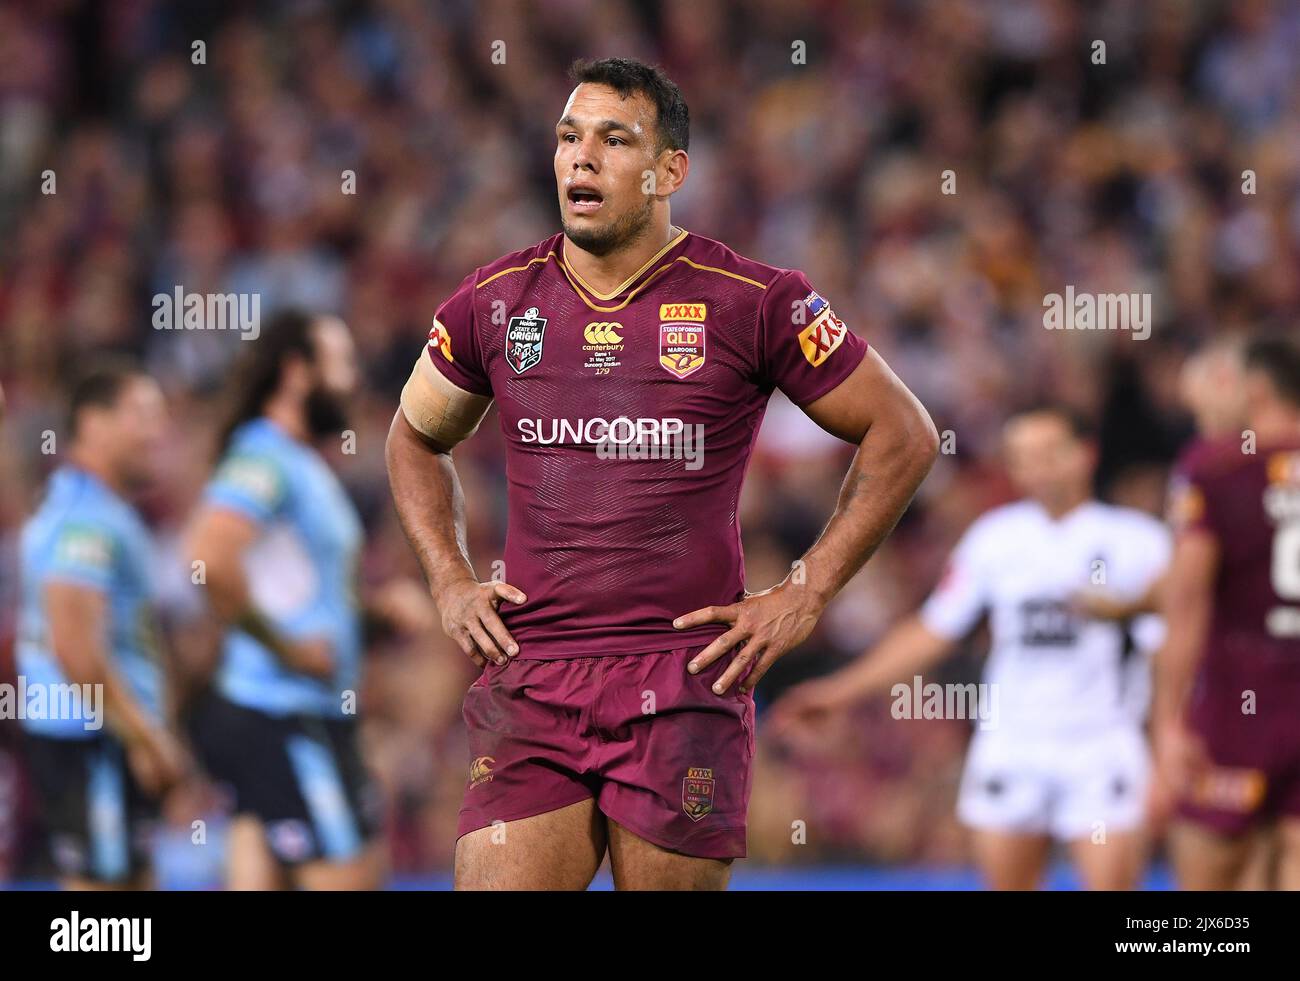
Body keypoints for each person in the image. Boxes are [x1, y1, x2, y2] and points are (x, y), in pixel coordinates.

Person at [385, 57, 938, 890]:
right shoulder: (494, 300)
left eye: (613, 139)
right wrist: (450, 579)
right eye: (569, 137)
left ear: (669, 170)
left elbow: (905, 432)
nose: (581, 158)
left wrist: (807, 590)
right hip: (535, 674)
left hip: (683, 679)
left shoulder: (755, 300)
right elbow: (413, 437)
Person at [774, 406, 1171, 890]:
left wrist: (1169, 743)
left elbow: (1171, 652)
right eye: (1023, 457)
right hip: (1013, 741)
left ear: (1085, 454)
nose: (1036, 468)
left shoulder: (1139, 541)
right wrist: (839, 691)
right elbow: (934, 629)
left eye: (1050, 453)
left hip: (1102, 742)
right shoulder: (996, 539)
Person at [185, 309, 422, 890]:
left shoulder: (297, 464)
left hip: (282, 710)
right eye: (340, 362)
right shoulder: (265, 458)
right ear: (297, 372)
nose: (353, 379)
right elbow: (209, 557)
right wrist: (286, 649)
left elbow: (293, 591)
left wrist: (371, 616)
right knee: (354, 876)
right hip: (287, 711)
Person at [17, 360, 185, 888]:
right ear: (92, 423)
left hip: (99, 735)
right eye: (143, 415)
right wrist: (147, 738)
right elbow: (75, 648)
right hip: (94, 739)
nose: (159, 432)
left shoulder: (90, 508)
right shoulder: (84, 518)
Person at [1153, 335, 1300, 889]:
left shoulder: (1215, 467)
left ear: (1256, 387)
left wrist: (1168, 724)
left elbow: (1185, 603)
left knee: (1210, 897)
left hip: (1242, 697)